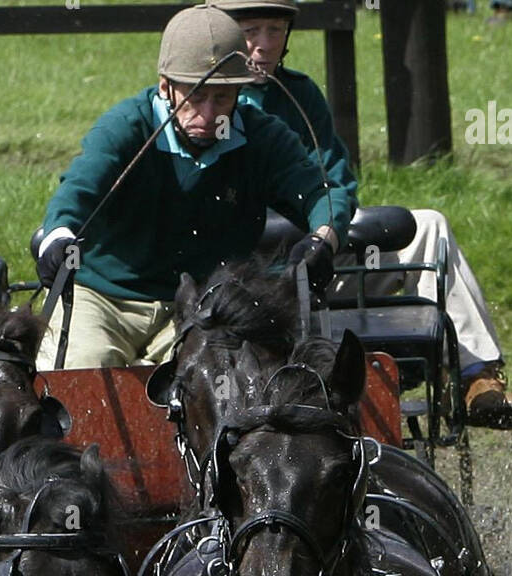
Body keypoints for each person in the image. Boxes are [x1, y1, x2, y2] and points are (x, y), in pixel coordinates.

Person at [212, 0, 512, 429]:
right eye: (252, 32)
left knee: (429, 226)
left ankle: (476, 377)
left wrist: (323, 233)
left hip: (316, 262)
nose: (264, 45)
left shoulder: (301, 95)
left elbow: (338, 184)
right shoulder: (207, 101)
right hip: (245, 279)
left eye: (275, 30)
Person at [34, 6, 348, 369]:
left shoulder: (263, 136)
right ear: (165, 86)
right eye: (195, 97)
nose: (208, 115)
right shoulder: (124, 127)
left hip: (203, 302)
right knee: (87, 368)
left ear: (240, 92)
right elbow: (77, 193)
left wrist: (323, 240)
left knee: (208, 379)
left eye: (222, 98)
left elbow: (322, 192)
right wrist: (58, 236)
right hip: (103, 298)